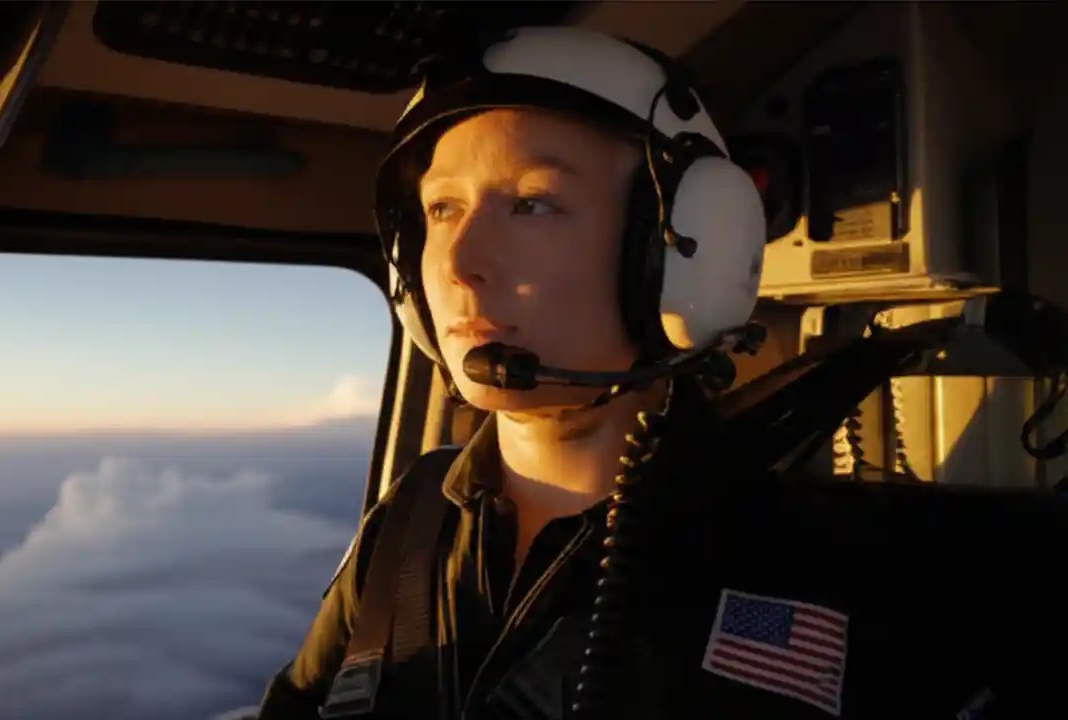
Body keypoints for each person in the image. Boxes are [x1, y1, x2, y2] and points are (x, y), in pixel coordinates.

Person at [257, 24, 1066, 720]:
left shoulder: (825, 563)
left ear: (682, 255)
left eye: (532, 203)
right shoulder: (406, 524)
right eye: (442, 209)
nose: (459, 262)